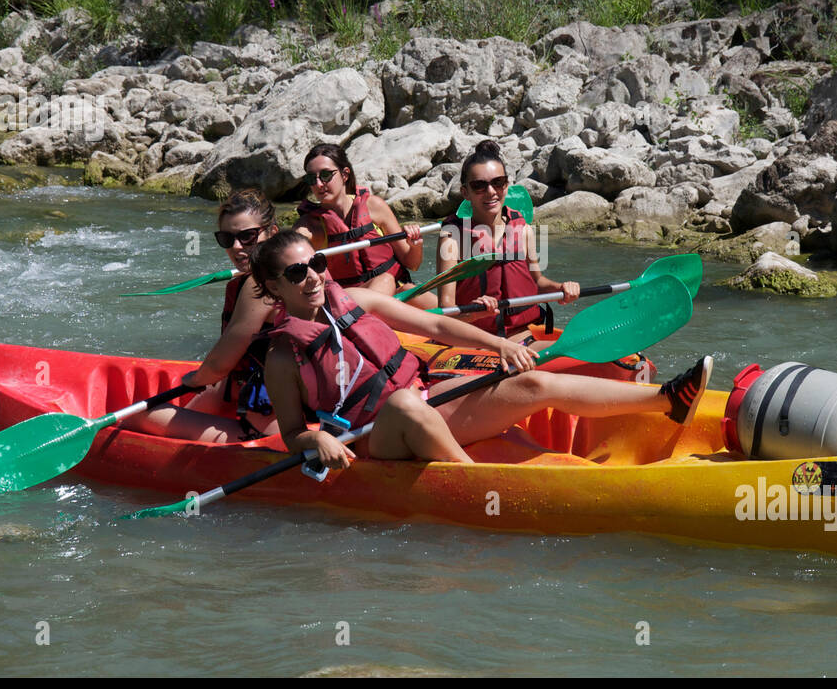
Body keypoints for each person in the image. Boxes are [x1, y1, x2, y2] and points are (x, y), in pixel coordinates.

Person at [252, 230, 712, 470]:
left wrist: (497, 344)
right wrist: (316, 439)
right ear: (275, 287)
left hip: (426, 397)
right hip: (376, 436)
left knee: (531, 381)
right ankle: (471, 478)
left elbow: (436, 323)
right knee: (403, 405)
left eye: (315, 264)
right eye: (296, 274)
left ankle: (667, 401)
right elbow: (292, 432)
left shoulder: (357, 300)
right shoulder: (282, 357)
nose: (312, 277)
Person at [131, 189, 285, 442]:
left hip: (267, 434)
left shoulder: (257, 285)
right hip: (291, 401)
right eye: (227, 238)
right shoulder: (303, 273)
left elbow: (218, 366)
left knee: (136, 416)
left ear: (272, 233)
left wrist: (194, 379)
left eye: (248, 236)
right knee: (219, 389)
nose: (236, 247)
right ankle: (181, 432)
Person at [437, 140, 579, 345]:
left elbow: (538, 283)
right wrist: (474, 314)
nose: (491, 192)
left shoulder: (523, 231)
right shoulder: (452, 239)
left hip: (524, 333)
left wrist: (562, 288)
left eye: (498, 182)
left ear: (506, 185)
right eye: (479, 186)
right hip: (477, 340)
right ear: (465, 192)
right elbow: (446, 309)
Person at [294, 143, 436, 307]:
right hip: (348, 302)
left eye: (325, 175)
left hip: (392, 294)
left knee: (411, 290)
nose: (318, 184)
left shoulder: (375, 207)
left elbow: (413, 264)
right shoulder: (309, 227)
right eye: (312, 178)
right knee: (386, 279)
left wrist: (416, 246)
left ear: (345, 174)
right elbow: (287, 260)